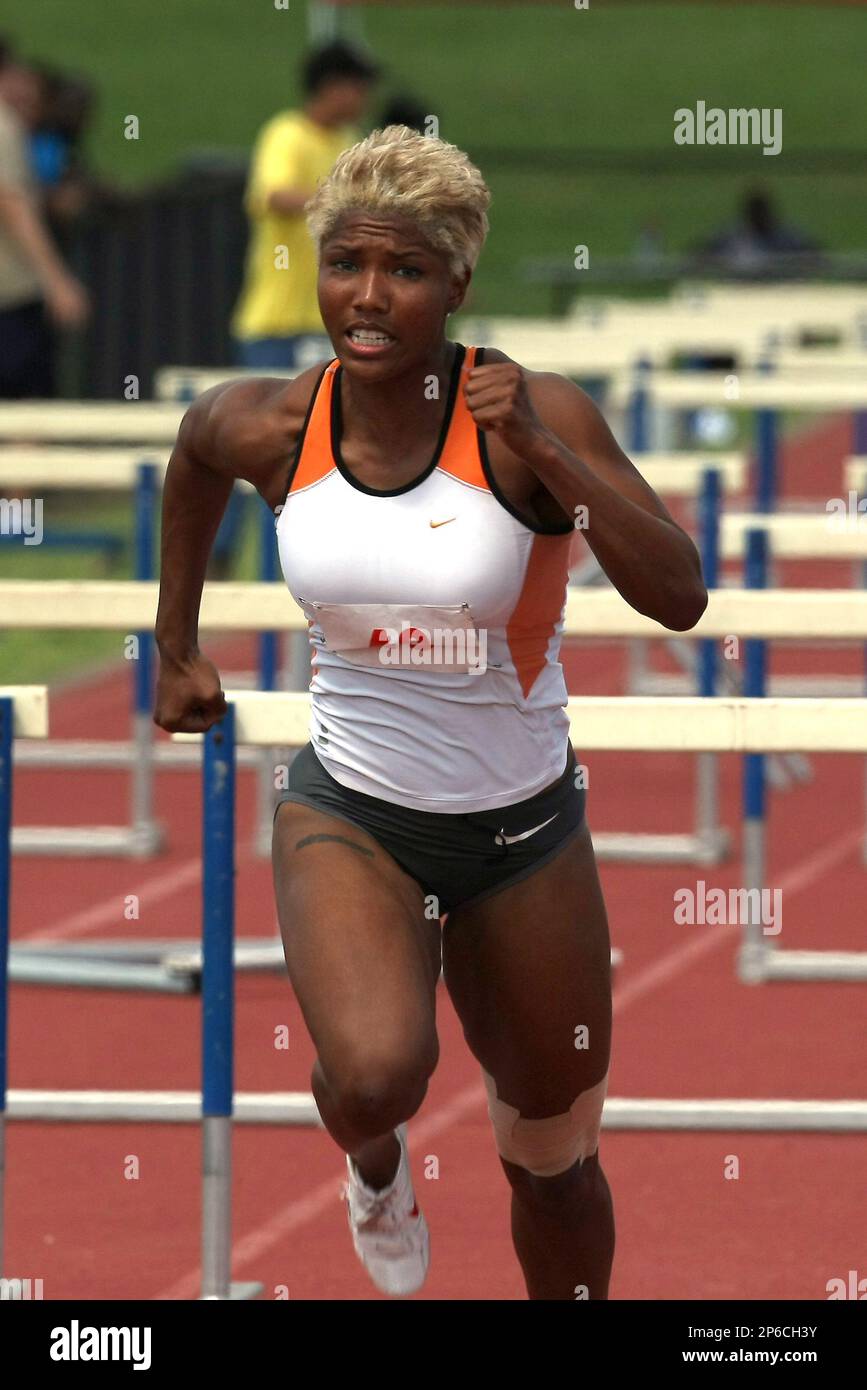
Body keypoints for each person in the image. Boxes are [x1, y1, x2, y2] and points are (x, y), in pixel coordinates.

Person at [153, 125, 707, 1300]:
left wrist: (546, 452)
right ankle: (375, 1168)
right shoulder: (275, 423)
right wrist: (174, 650)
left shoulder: (527, 414)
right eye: (346, 262)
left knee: (553, 1166)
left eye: (404, 270)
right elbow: (193, 458)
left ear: (457, 284)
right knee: (373, 1073)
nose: (368, 295)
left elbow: (679, 591)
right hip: (352, 810)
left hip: (521, 829)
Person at [231, 39, 380, 370]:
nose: (365, 99)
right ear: (331, 87)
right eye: (359, 88)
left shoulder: (349, 141)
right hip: (276, 323)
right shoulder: (287, 134)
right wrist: (346, 202)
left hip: (331, 321)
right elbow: (275, 195)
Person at [0, 49, 88, 397]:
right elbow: (11, 204)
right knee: (27, 417)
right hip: (10, 298)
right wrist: (57, 282)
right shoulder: (4, 126)